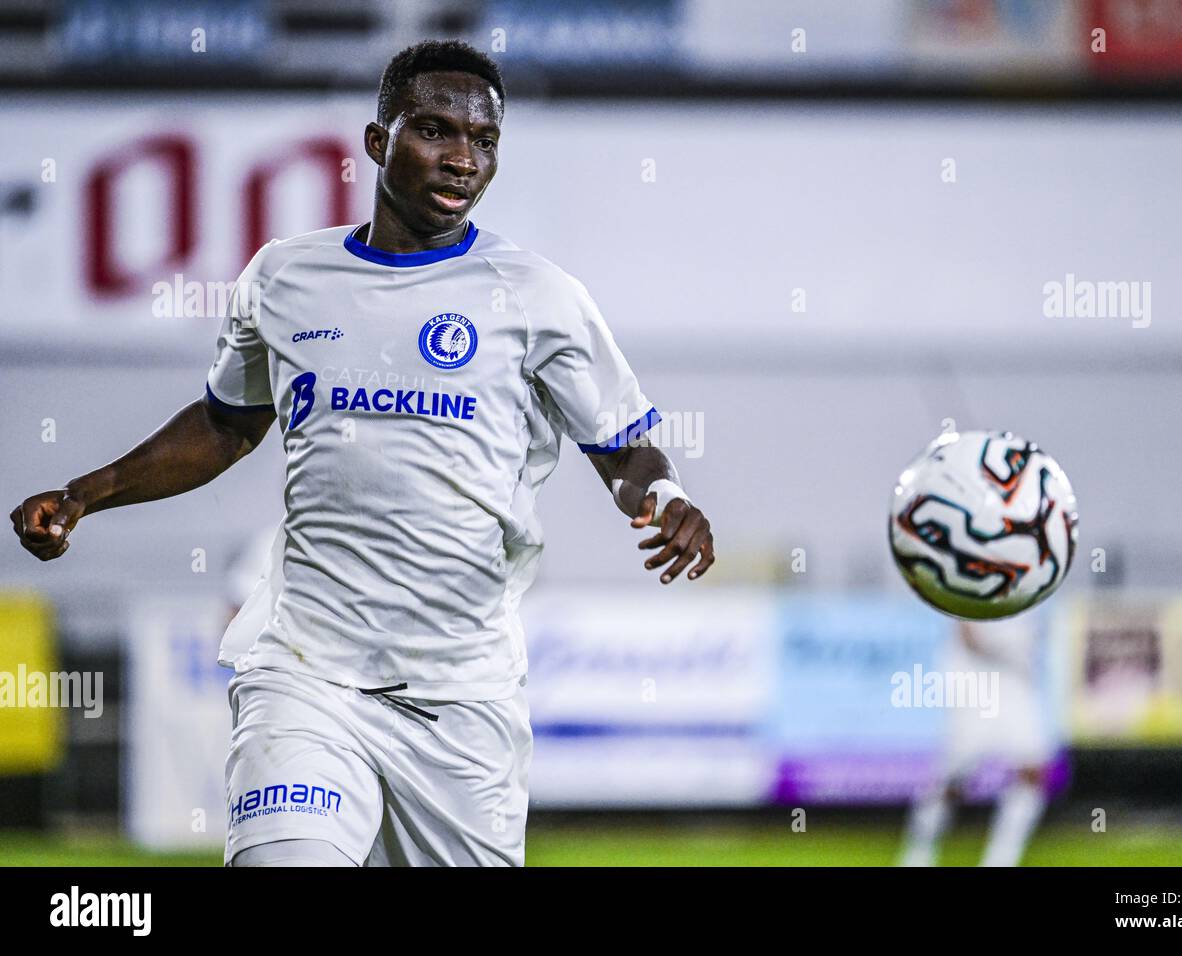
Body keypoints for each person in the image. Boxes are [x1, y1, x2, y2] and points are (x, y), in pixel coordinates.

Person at [10, 40, 714, 867]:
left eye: (483, 141)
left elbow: (623, 447)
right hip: (308, 675)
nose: (461, 159)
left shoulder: (539, 298)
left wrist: (665, 500)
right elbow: (225, 424)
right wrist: (86, 494)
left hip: (462, 695)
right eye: (434, 131)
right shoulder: (286, 277)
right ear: (378, 142)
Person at [898, 612, 1055, 867]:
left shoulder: (1028, 582)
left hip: (1016, 688)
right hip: (976, 688)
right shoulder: (975, 580)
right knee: (953, 782)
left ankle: (1001, 859)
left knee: (1033, 772)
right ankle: (918, 853)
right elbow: (970, 636)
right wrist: (1008, 647)